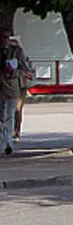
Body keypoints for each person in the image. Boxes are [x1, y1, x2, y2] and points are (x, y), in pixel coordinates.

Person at [0, 27, 32, 155]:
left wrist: (13, 72)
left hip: (11, 88)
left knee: (9, 115)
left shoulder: (16, 52)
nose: (3, 40)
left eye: (5, 37)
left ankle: (8, 142)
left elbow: (25, 70)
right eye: (0, 37)